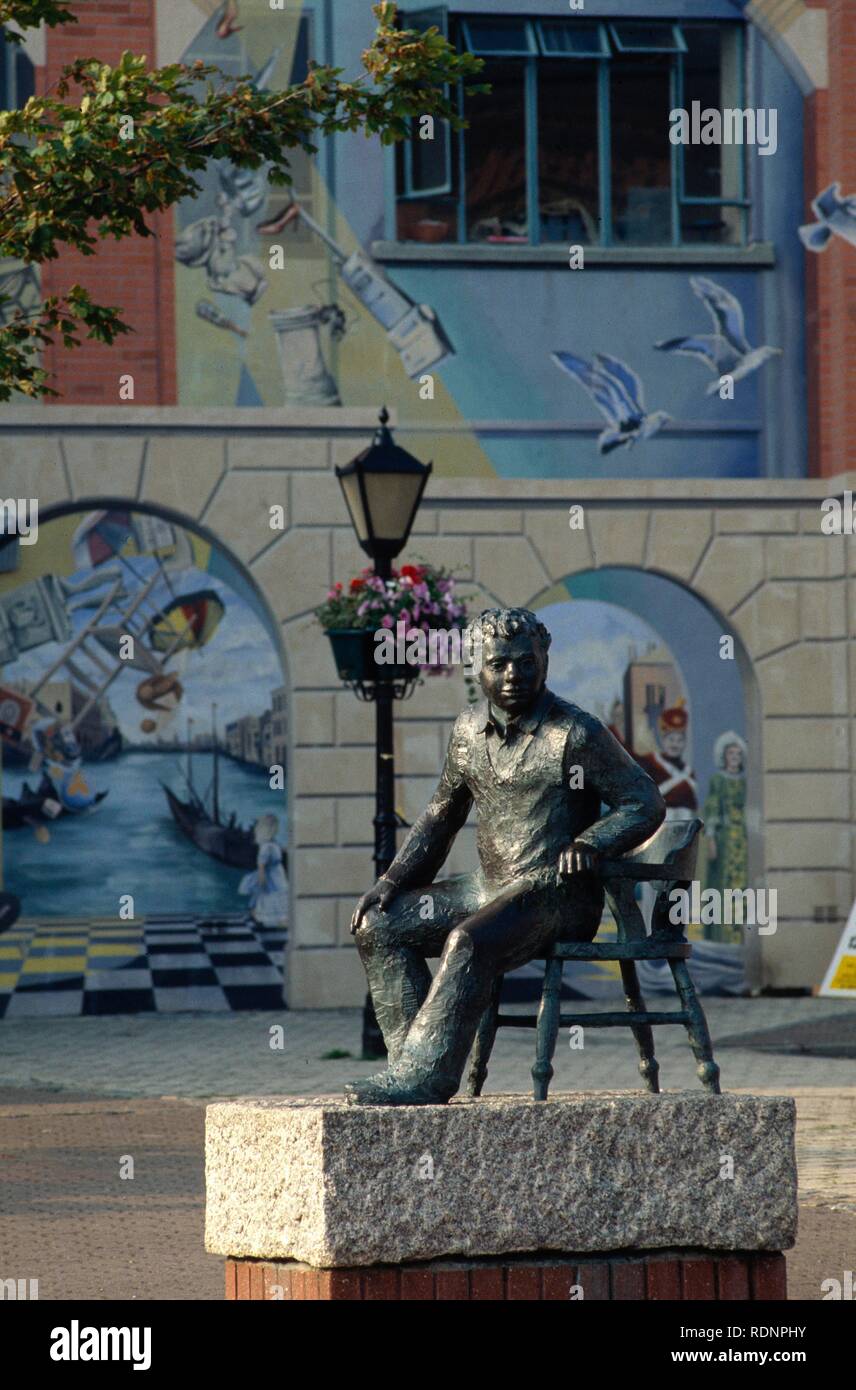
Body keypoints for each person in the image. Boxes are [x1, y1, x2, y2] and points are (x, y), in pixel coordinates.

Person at [347, 607, 665, 1106]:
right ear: (477, 667)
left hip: (556, 896)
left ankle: (427, 1077)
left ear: (545, 659)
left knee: (467, 941)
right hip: (487, 887)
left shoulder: (575, 733)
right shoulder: (468, 732)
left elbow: (644, 802)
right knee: (379, 926)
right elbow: (440, 816)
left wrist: (590, 843)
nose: (513, 675)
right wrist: (393, 880)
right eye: (499, 664)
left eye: (525, 662)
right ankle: (410, 1066)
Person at [703, 733, 749, 944]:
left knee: (744, 886)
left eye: (738, 753)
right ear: (724, 755)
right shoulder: (718, 780)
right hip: (725, 841)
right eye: (731, 753)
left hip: (743, 840)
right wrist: (711, 839)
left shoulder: (747, 782)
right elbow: (712, 810)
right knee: (723, 887)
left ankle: (741, 935)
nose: (735, 757)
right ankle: (722, 937)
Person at [239, 814, 288, 929]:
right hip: (272, 876)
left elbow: (278, 852)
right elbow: (261, 864)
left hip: (277, 874)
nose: (277, 829)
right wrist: (262, 877)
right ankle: (269, 919)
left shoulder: (272, 844)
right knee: (273, 896)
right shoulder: (266, 847)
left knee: (279, 895)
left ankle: (273, 918)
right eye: (275, 827)